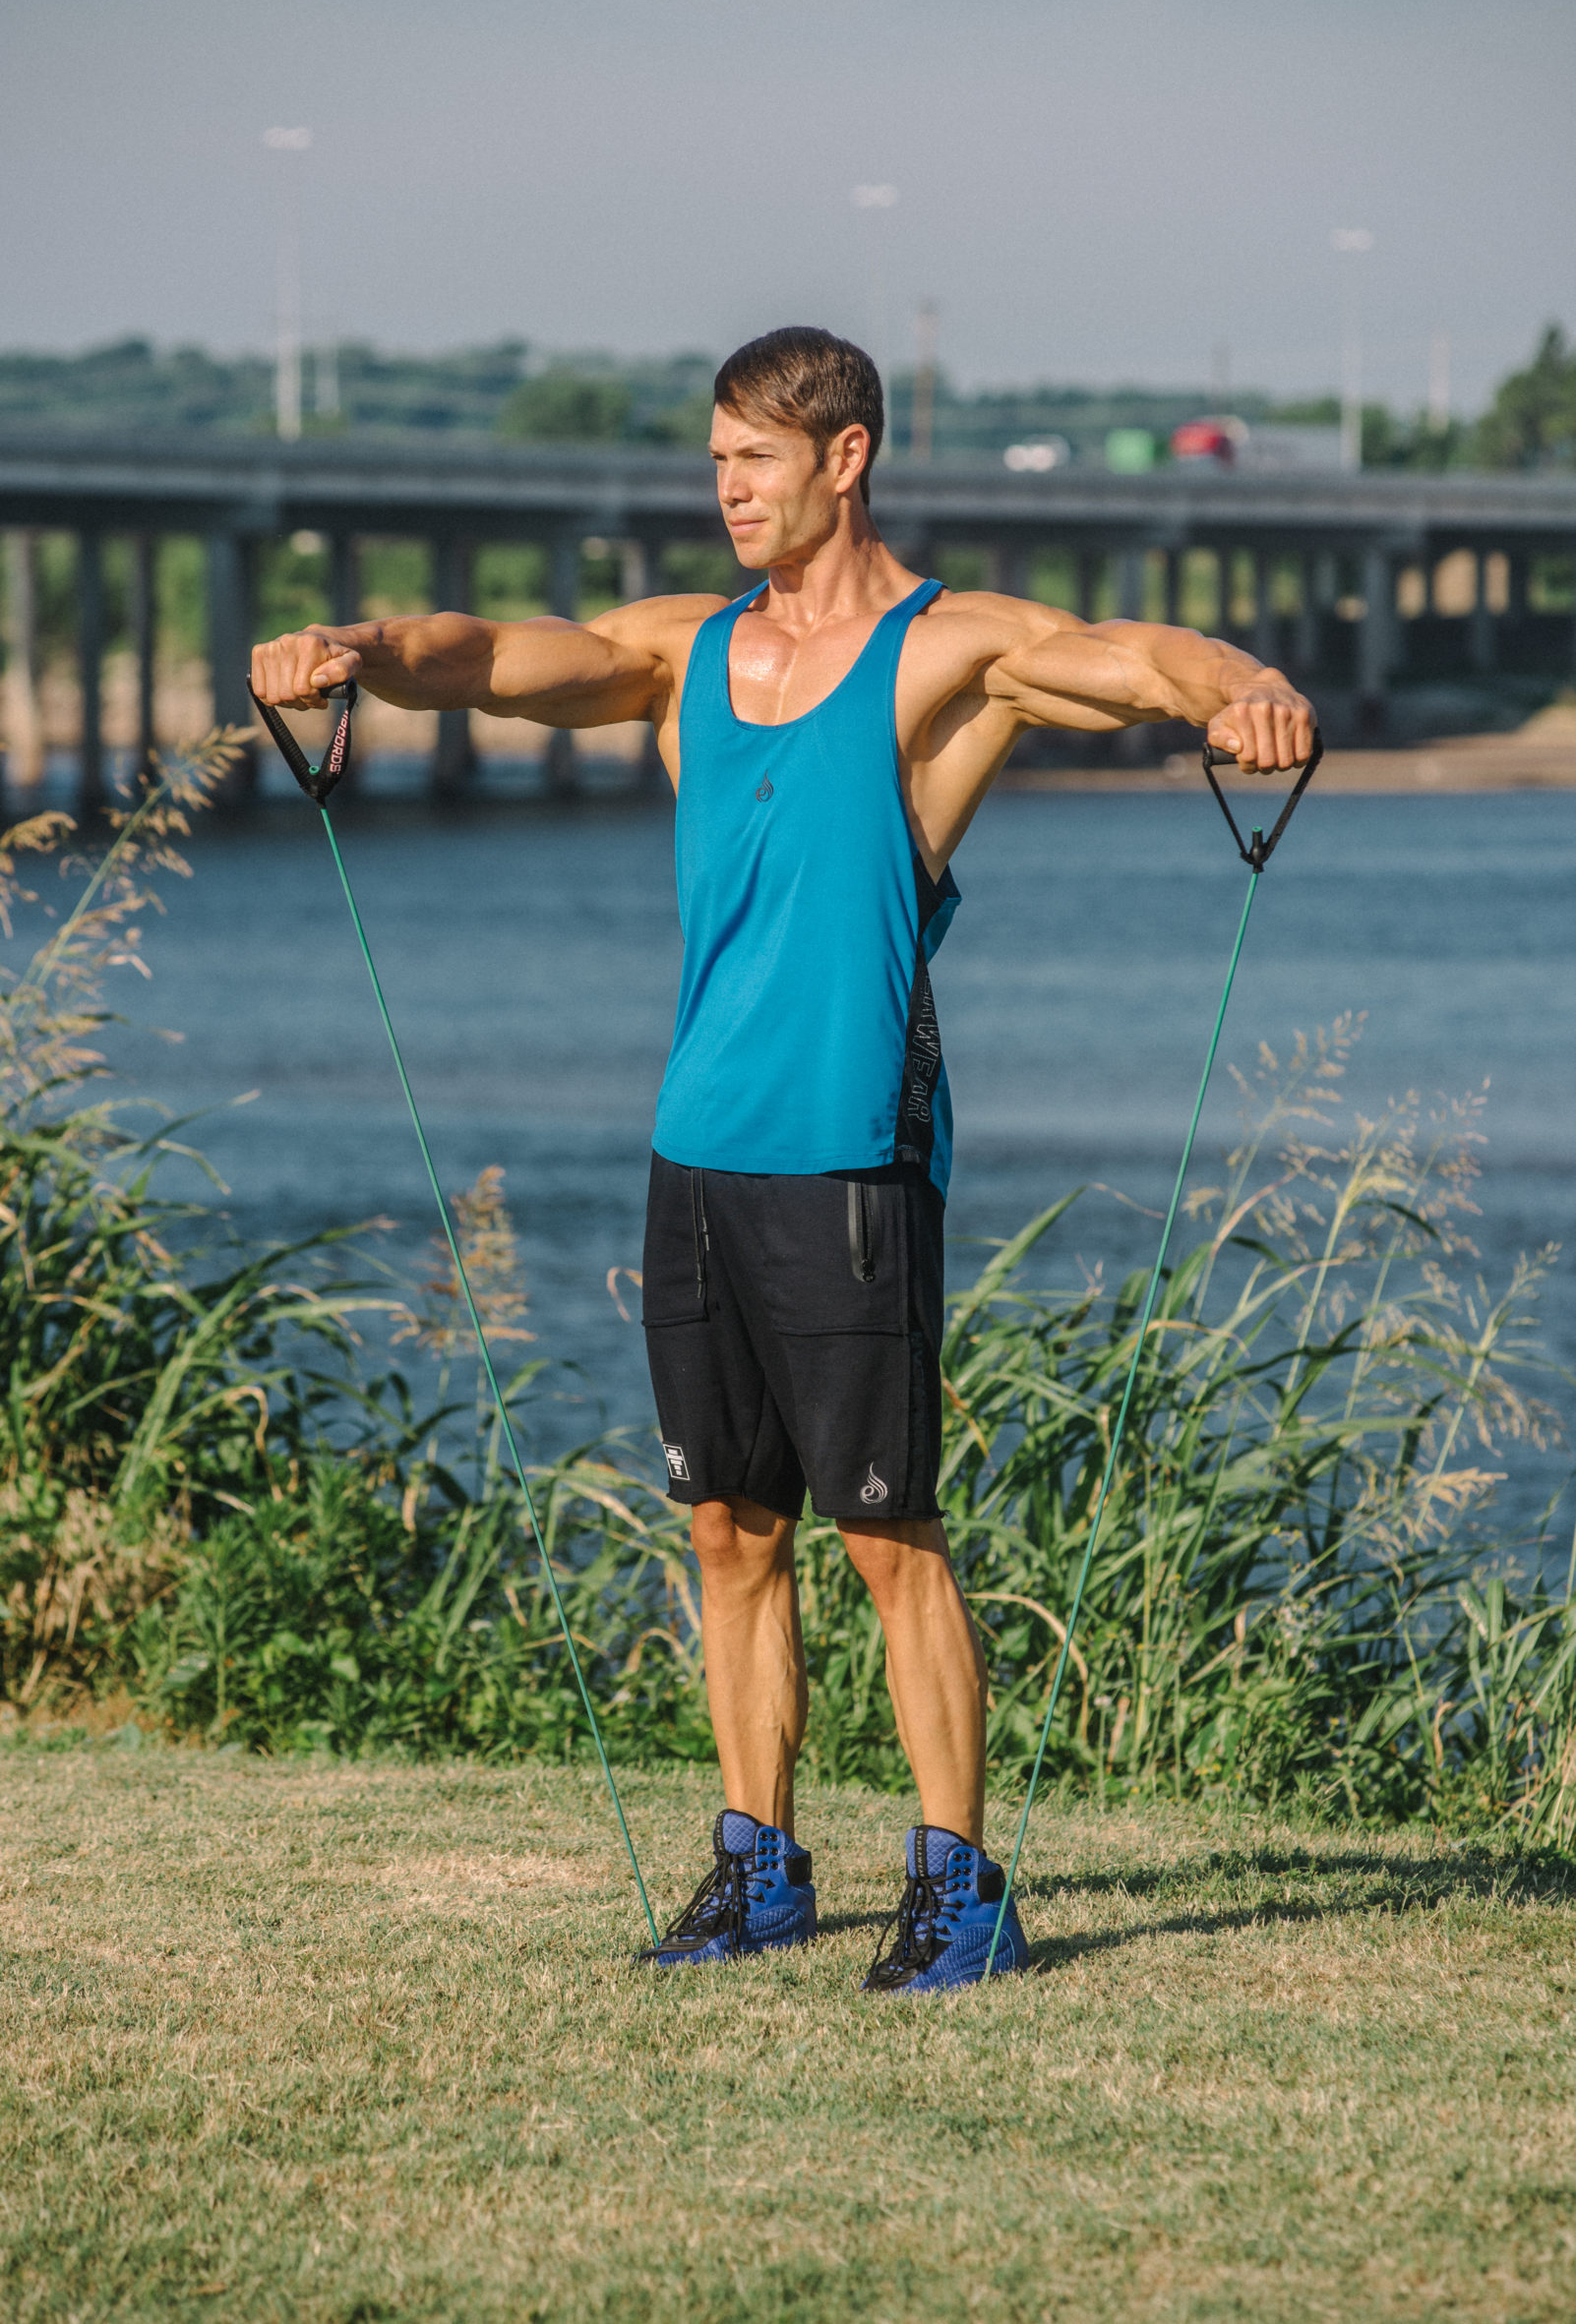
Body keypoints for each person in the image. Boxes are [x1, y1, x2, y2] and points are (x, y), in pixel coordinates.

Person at [251, 327, 1316, 1995]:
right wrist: (354, 647)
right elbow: (495, 656)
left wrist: (1243, 688)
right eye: (716, 461)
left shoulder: (945, 650)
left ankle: (959, 1887)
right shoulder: (684, 648)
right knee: (726, 1530)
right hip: (697, 1146)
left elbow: (1134, 656)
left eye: (754, 458)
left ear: (846, 455)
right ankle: (758, 1871)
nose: (728, 489)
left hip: (848, 1149)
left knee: (889, 1537)